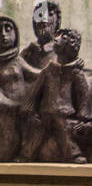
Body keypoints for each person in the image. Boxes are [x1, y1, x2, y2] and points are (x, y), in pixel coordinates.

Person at [27, 28, 91, 163]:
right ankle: (26, 155)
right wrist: (30, 109)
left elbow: (84, 95)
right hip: (46, 112)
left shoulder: (76, 73)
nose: (56, 39)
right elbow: (35, 91)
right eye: (57, 36)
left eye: (62, 38)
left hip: (64, 114)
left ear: (70, 45)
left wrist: (83, 118)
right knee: (37, 132)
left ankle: (74, 155)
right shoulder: (48, 70)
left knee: (65, 131)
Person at [0, 16, 41, 161]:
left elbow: (37, 75)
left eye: (8, 29)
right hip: (6, 115)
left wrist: (60, 67)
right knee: (7, 146)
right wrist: (15, 106)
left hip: (23, 112)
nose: (3, 34)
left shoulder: (18, 60)